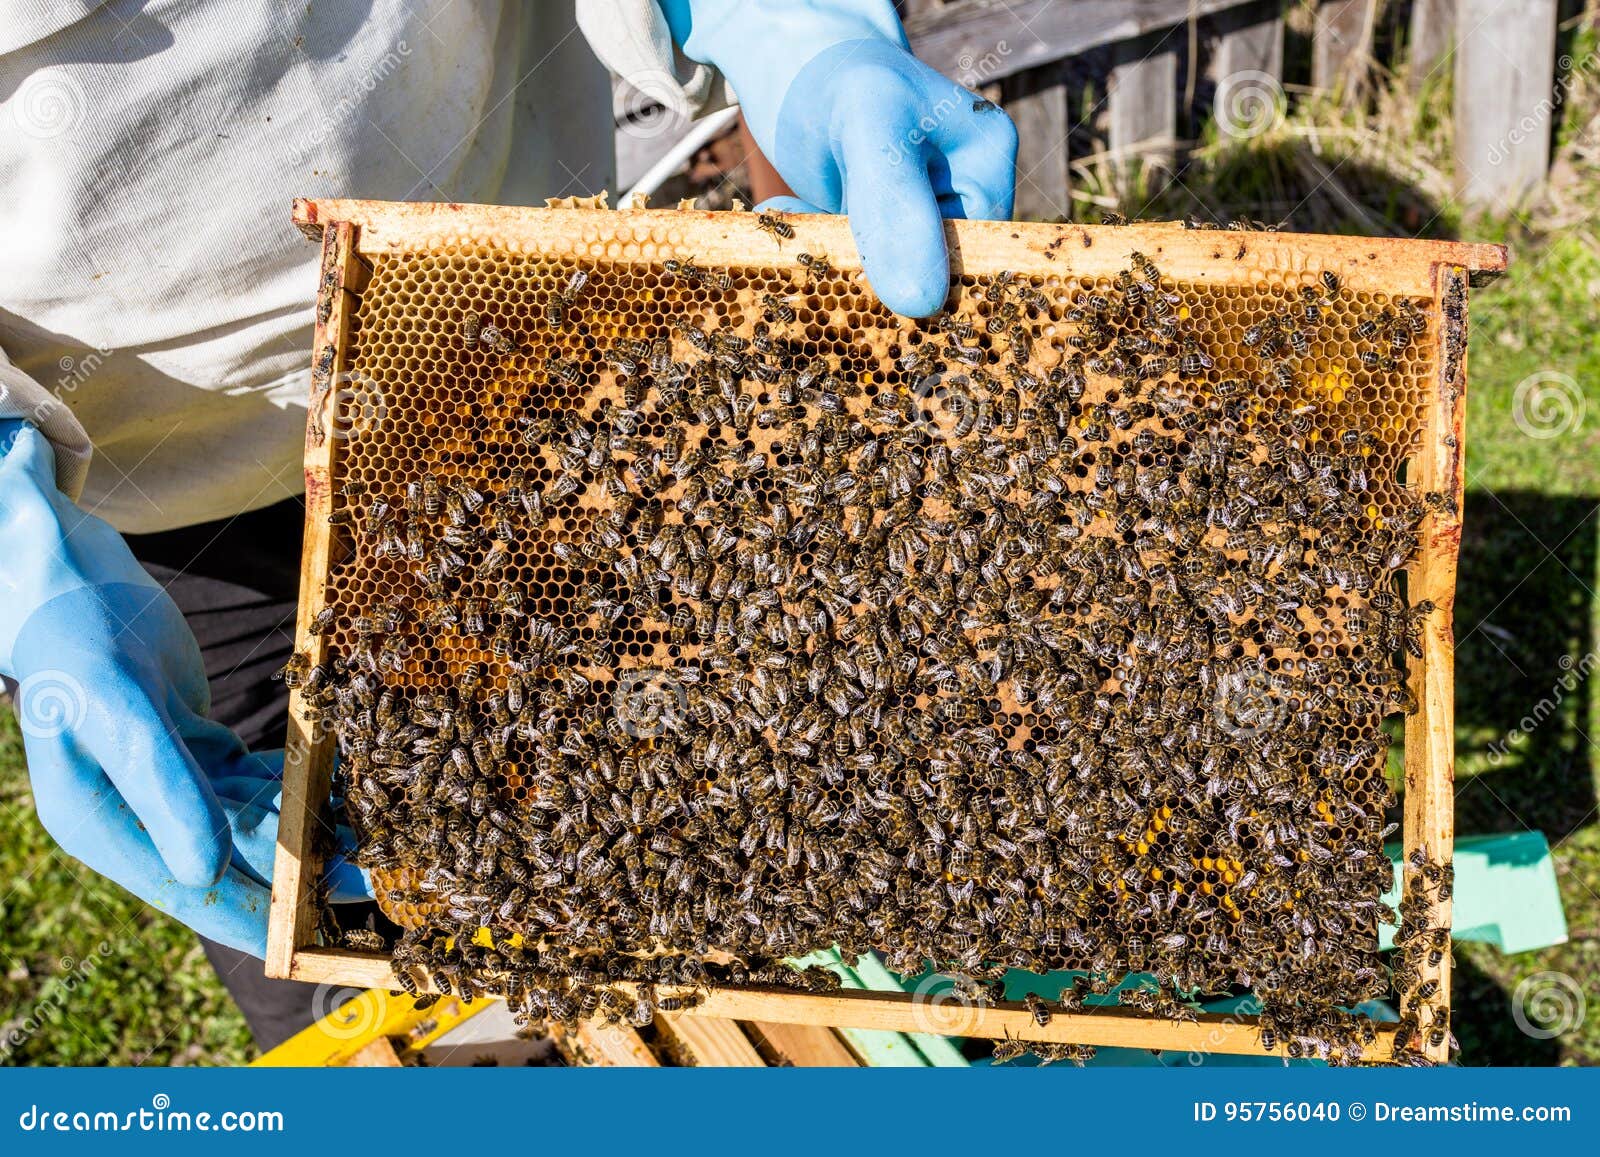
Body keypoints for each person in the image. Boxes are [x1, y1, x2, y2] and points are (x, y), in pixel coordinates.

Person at [0, 0, 1017, 1049]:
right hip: (159, 523)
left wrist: (793, 31)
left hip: (522, 383)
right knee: (364, 939)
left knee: (680, 793)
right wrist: (16, 552)